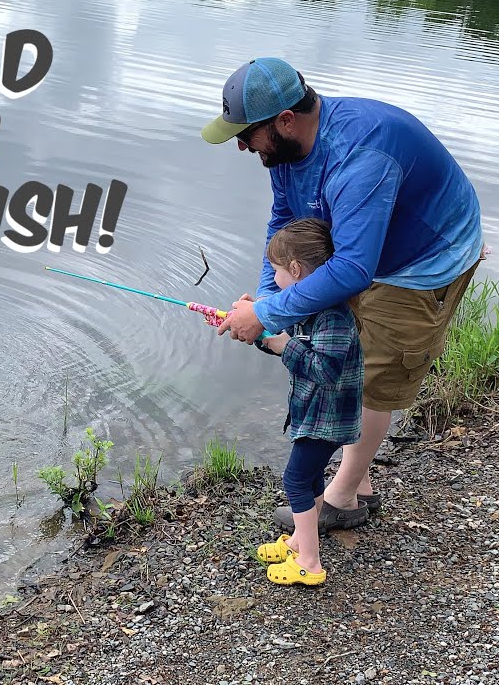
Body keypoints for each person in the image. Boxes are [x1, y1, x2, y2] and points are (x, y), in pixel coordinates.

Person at [201, 57, 484, 531]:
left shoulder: (360, 158)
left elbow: (353, 268)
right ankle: (363, 477)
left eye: (245, 134)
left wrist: (269, 312)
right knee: (348, 351)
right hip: (361, 250)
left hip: (423, 260)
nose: (242, 146)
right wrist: (269, 302)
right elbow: (284, 222)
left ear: (285, 120)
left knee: (373, 376)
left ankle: (344, 496)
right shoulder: (288, 152)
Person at [251, 218, 362, 586]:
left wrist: (284, 345)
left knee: (295, 479)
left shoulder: (333, 317)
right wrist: (262, 331)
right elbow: (293, 346)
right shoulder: (315, 307)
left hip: (325, 418)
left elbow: (324, 369)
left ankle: (310, 563)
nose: (275, 279)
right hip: (316, 414)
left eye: (278, 271)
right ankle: (300, 541)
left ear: (295, 270)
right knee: (311, 477)